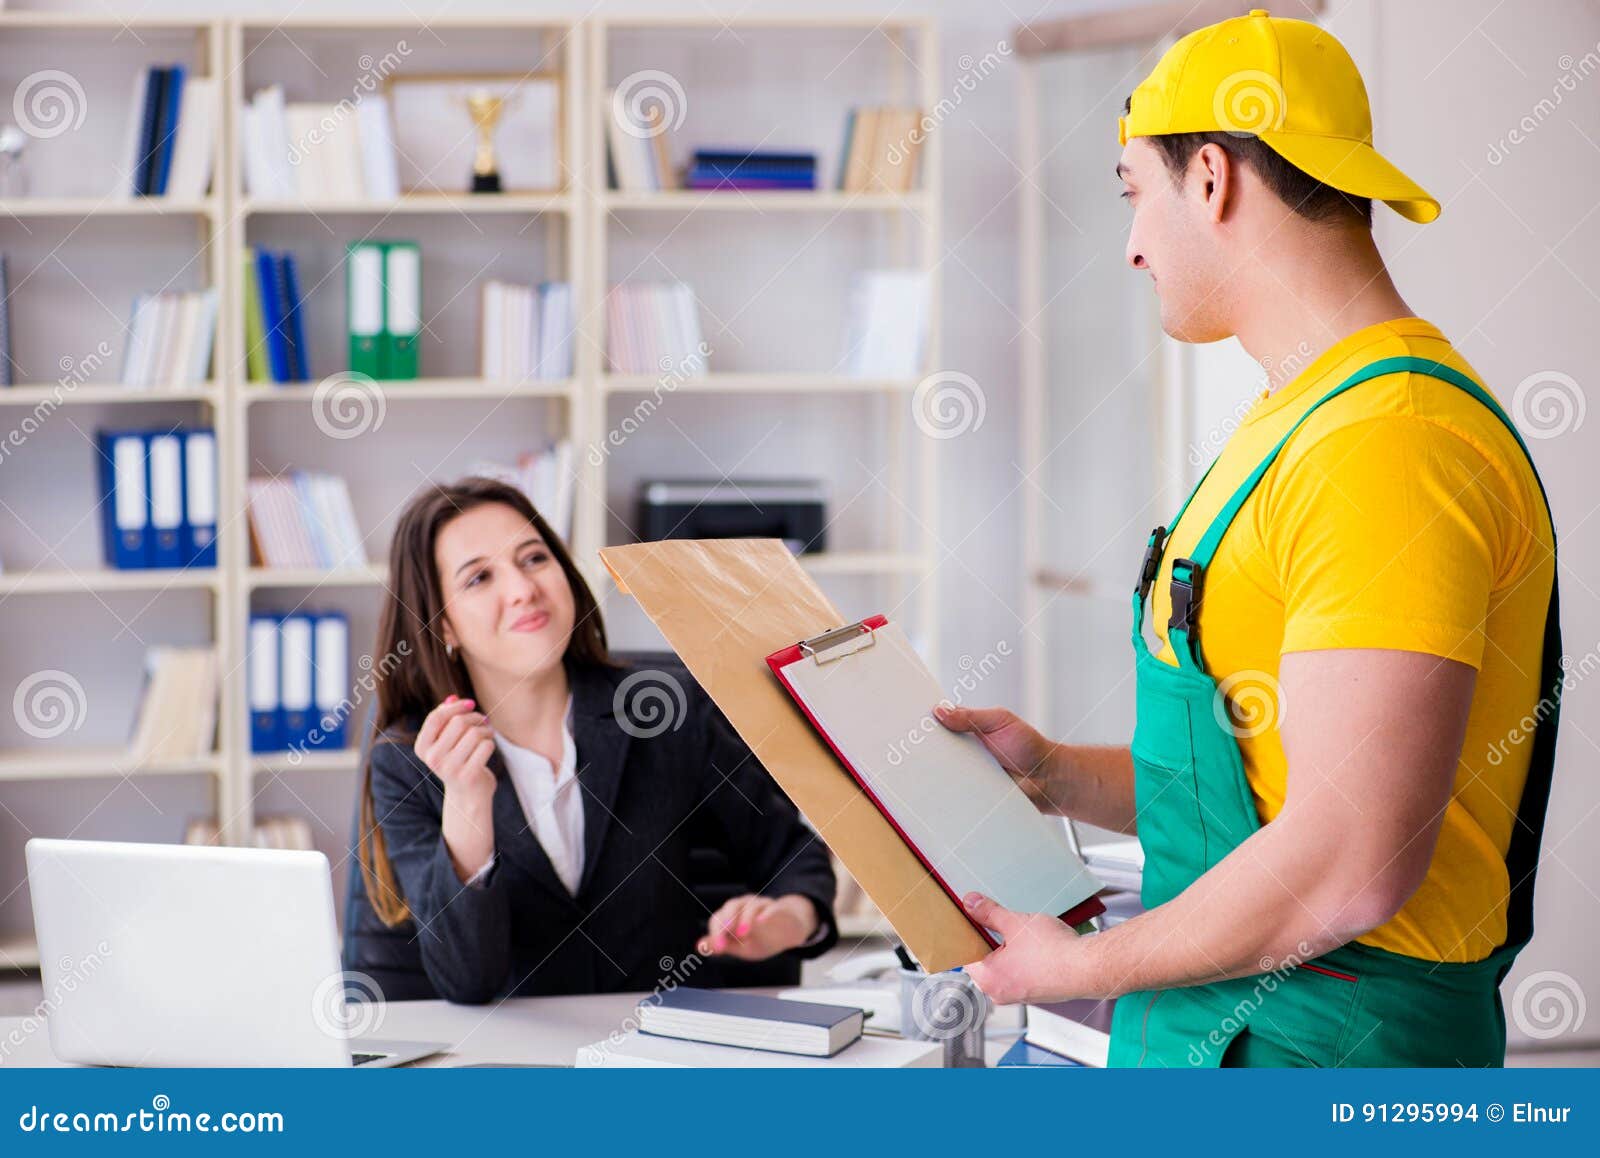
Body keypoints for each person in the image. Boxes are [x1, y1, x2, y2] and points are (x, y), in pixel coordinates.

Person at [940, 10, 1561, 1067]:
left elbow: (1348, 862)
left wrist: (1075, 968)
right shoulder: (1298, 419)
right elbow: (1269, 790)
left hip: (1322, 1053)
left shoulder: (1387, 445)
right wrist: (1054, 775)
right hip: (1219, 1034)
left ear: (1214, 178)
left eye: (1135, 192)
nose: (1132, 244)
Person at [354, 477, 837, 1003]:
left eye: (534, 558)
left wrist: (790, 918)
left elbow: (791, 855)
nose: (522, 589)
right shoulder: (408, 761)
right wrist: (467, 801)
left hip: (667, 1051)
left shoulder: (663, 710)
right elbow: (470, 982)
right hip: (517, 1067)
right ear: (443, 625)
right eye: (479, 578)